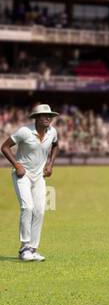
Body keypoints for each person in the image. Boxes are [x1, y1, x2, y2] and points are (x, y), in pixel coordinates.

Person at [2, 103, 59, 261]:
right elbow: (5, 147)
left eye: (50, 116)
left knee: (39, 210)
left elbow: (56, 145)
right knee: (27, 207)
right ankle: (24, 248)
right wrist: (17, 165)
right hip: (22, 175)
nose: (48, 118)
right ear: (36, 118)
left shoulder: (53, 132)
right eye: (44, 115)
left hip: (39, 176)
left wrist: (50, 164)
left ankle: (33, 249)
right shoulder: (24, 131)